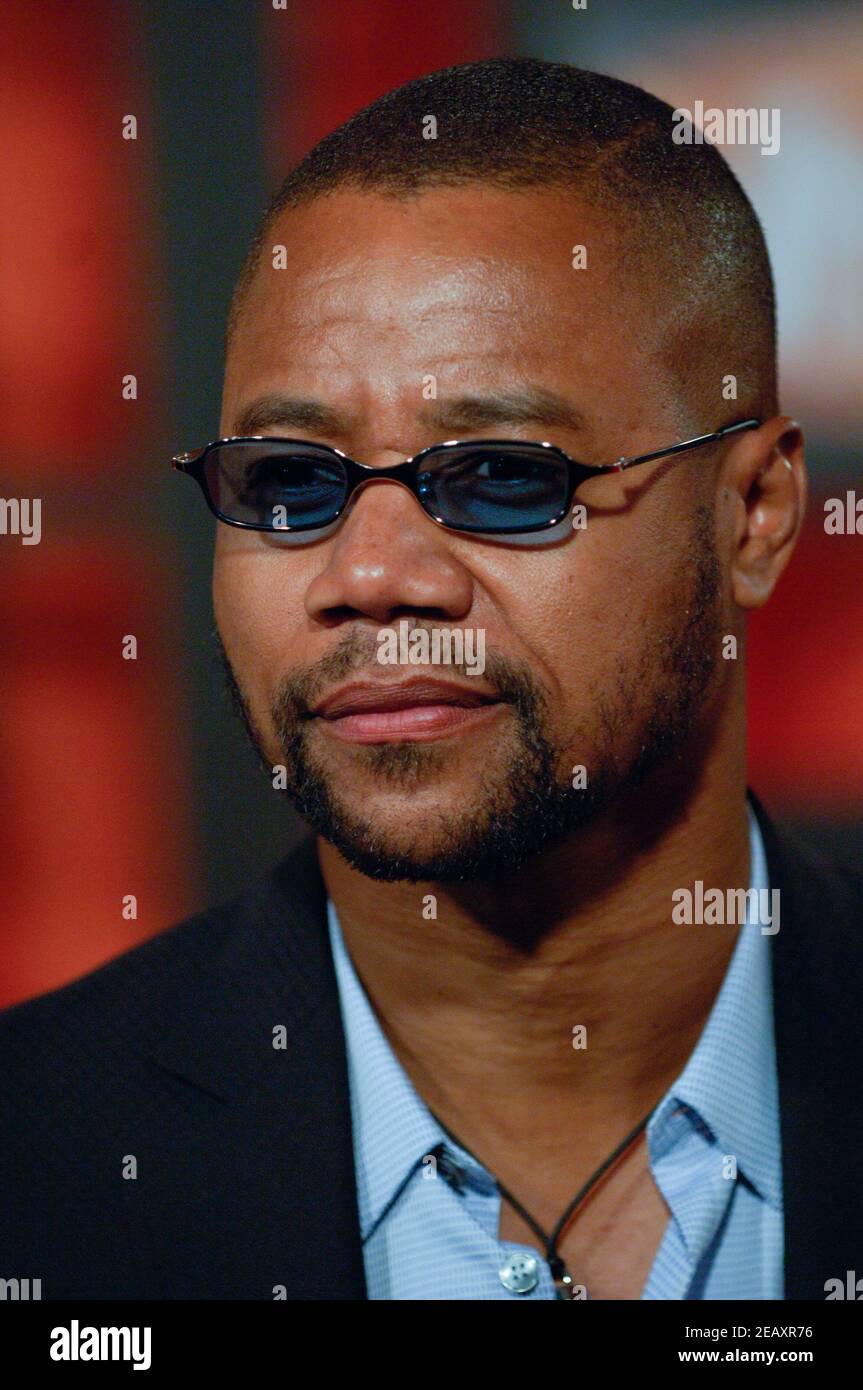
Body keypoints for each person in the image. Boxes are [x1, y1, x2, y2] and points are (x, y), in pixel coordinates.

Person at [2, 57, 861, 1302]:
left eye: (505, 475)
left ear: (755, 514)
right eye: (288, 483)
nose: (370, 573)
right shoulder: (39, 1166)